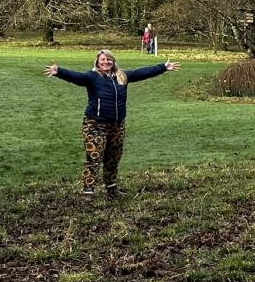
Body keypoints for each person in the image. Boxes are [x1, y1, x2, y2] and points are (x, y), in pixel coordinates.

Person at [45, 49, 180, 198]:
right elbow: (77, 77)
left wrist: (163, 67)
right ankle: (88, 190)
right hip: (95, 124)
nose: (106, 62)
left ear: (113, 61)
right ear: (97, 62)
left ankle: (112, 188)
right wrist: (59, 72)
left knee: (113, 157)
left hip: (117, 125)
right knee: (94, 157)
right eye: (103, 60)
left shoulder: (122, 76)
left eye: (109, 59)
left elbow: (142, 73)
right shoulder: (93, 77)